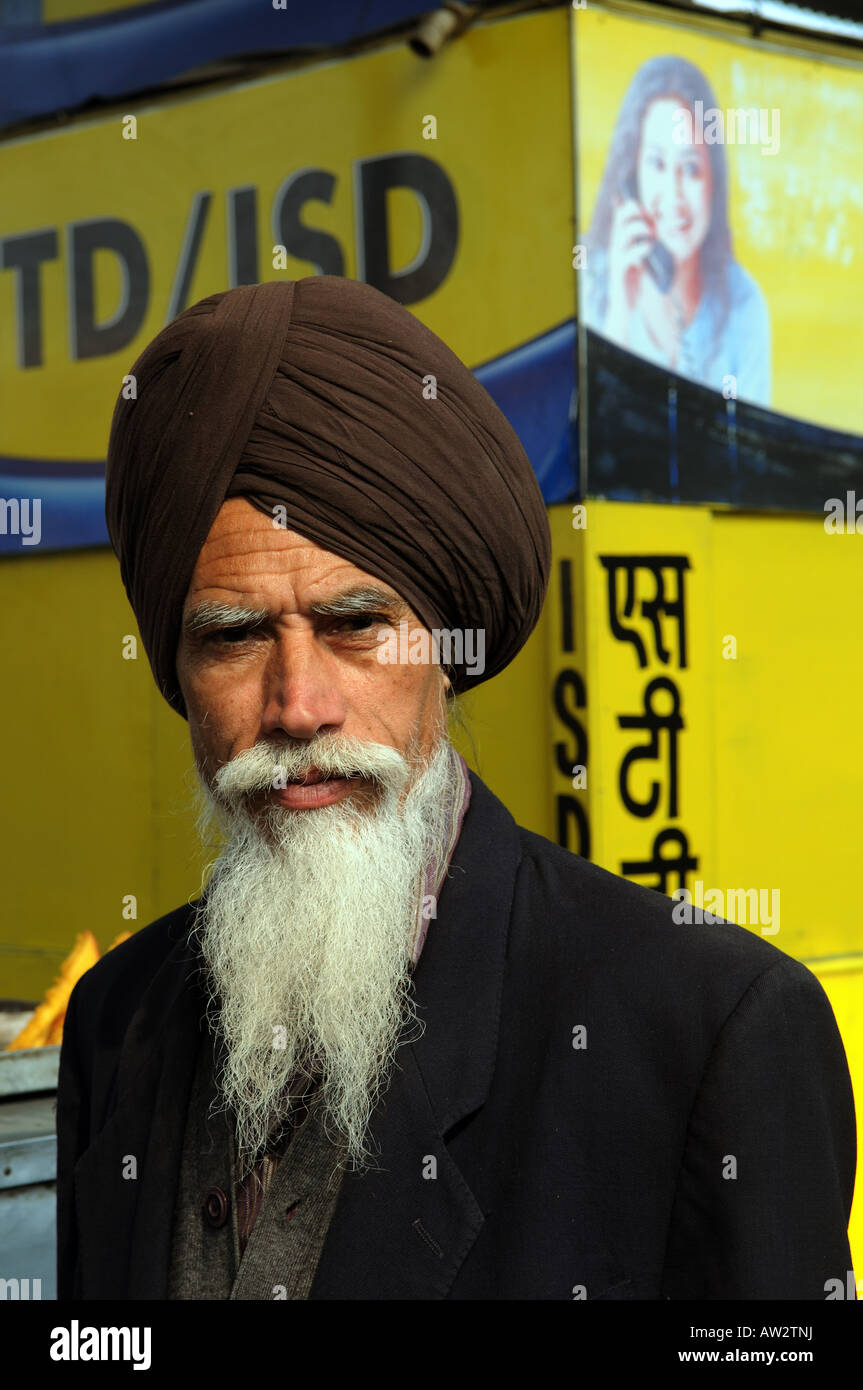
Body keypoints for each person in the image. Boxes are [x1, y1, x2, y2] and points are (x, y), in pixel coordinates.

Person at [56, 276, 852, 1300]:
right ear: (179, 675)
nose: (297, 705)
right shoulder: (120, 1021)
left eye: (353, 625)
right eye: (232, 637)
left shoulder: (703, 1033)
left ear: (446, 647)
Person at [582, 54, 771, 407]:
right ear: (631, 175)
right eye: (656, 163)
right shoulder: (586, 277)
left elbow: (752, 456)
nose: (673, 193)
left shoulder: (744, 306)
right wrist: (619, 314)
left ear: (713, 180)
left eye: (690, 168)